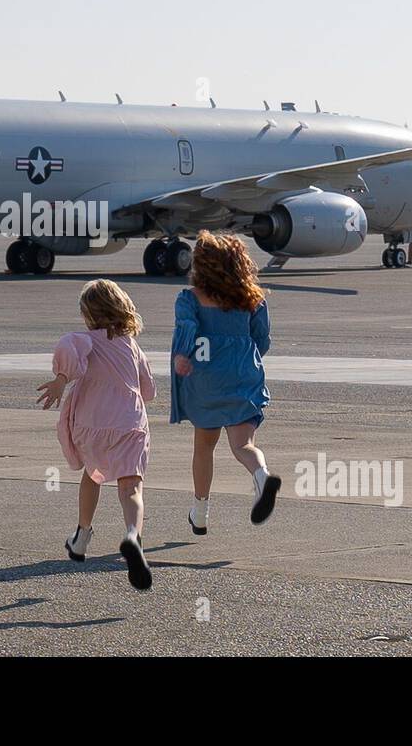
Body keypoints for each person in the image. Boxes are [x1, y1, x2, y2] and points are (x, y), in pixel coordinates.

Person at [38, 279, 155, 591]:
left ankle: (82, 537)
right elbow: (149, 390)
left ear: (88, 314)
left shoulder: (85, 339)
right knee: (131, 487)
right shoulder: (132, 345)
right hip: (129, 423)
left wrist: (62, 378)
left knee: (94, 474)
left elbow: (69, 346)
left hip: (93, 423)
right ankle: (133, 535)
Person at [171, 231, 279, 533]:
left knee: (204, 446)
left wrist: (183, 354)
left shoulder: (189, 299)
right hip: (243, 375)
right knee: (243, 444)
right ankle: (261, 475)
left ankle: (201, 511)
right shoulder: (252, 299)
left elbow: (187, 327)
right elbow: (262, 340)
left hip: (206, 378)